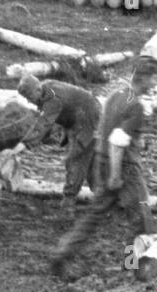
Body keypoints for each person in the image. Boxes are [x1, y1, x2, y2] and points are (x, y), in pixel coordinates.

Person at [50, 58, 157, 279]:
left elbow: (106, 131)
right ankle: (134, 268)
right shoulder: (135, 105)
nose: (153, 83)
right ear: (144, 78)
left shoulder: (115, 96)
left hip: (101, 160)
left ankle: (63, 252)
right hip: (123, 167)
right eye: (152, 78)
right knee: (141, 220)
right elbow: (118, 141)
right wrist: (117, 176)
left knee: (94, 214)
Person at [17, 74, 100, 206]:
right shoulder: (45, 89)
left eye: (29, 97)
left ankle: (69, 201)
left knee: (75, 159)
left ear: (37, 90)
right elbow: (48, 122)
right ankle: (103, 196)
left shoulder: (52, 98)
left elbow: (44, 123)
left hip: (86, 118)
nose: (29, 101)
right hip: (81, 116)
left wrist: (24, 144)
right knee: (89, 160)